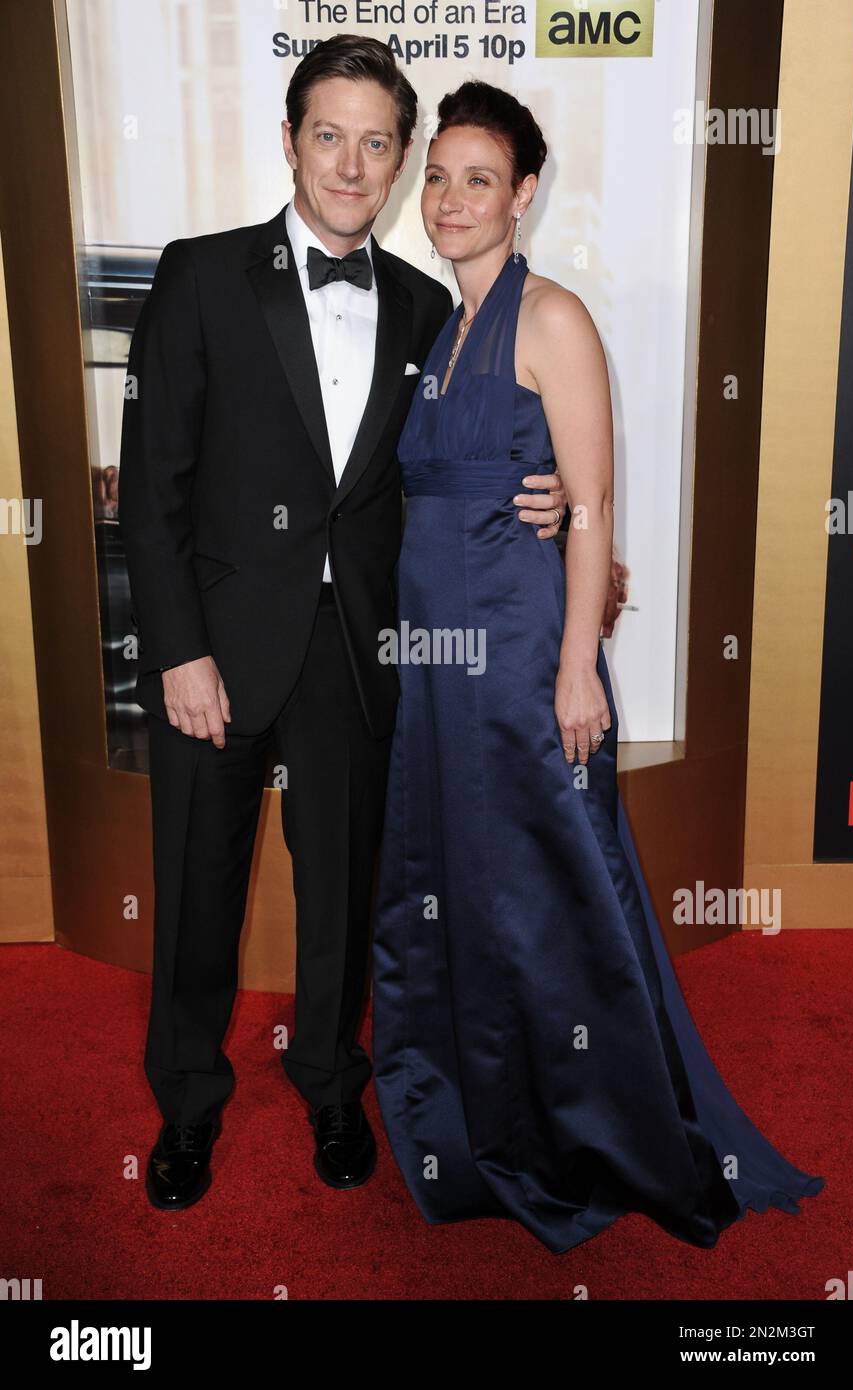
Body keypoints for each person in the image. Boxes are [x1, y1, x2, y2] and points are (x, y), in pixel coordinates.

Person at [371, 80, 825, 1254]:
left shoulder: (552, 318)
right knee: (462, 878)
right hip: (436, 668)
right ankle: (481, 1097)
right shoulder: (439, 323)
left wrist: (578, 666)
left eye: (479, 178)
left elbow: (591, 509)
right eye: (438, 175)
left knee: (548, 886)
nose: (451, 198)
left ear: (524, 193)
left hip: (523, 656)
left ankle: (593, 1121)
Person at [117, 37, 565, 1211]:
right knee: (195, 890)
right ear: (289, 141)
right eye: (331, 134)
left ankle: (328, 1078)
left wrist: (552, 493)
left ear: (401, 155)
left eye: (379, 142)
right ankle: (187, 1102)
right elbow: (151, 484)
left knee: (344, 891)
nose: (353, 164)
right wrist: (176, 648)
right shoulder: (201, 274)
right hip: (213, 650)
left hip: (359, 658)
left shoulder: (426, 305)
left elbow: (461, 460)